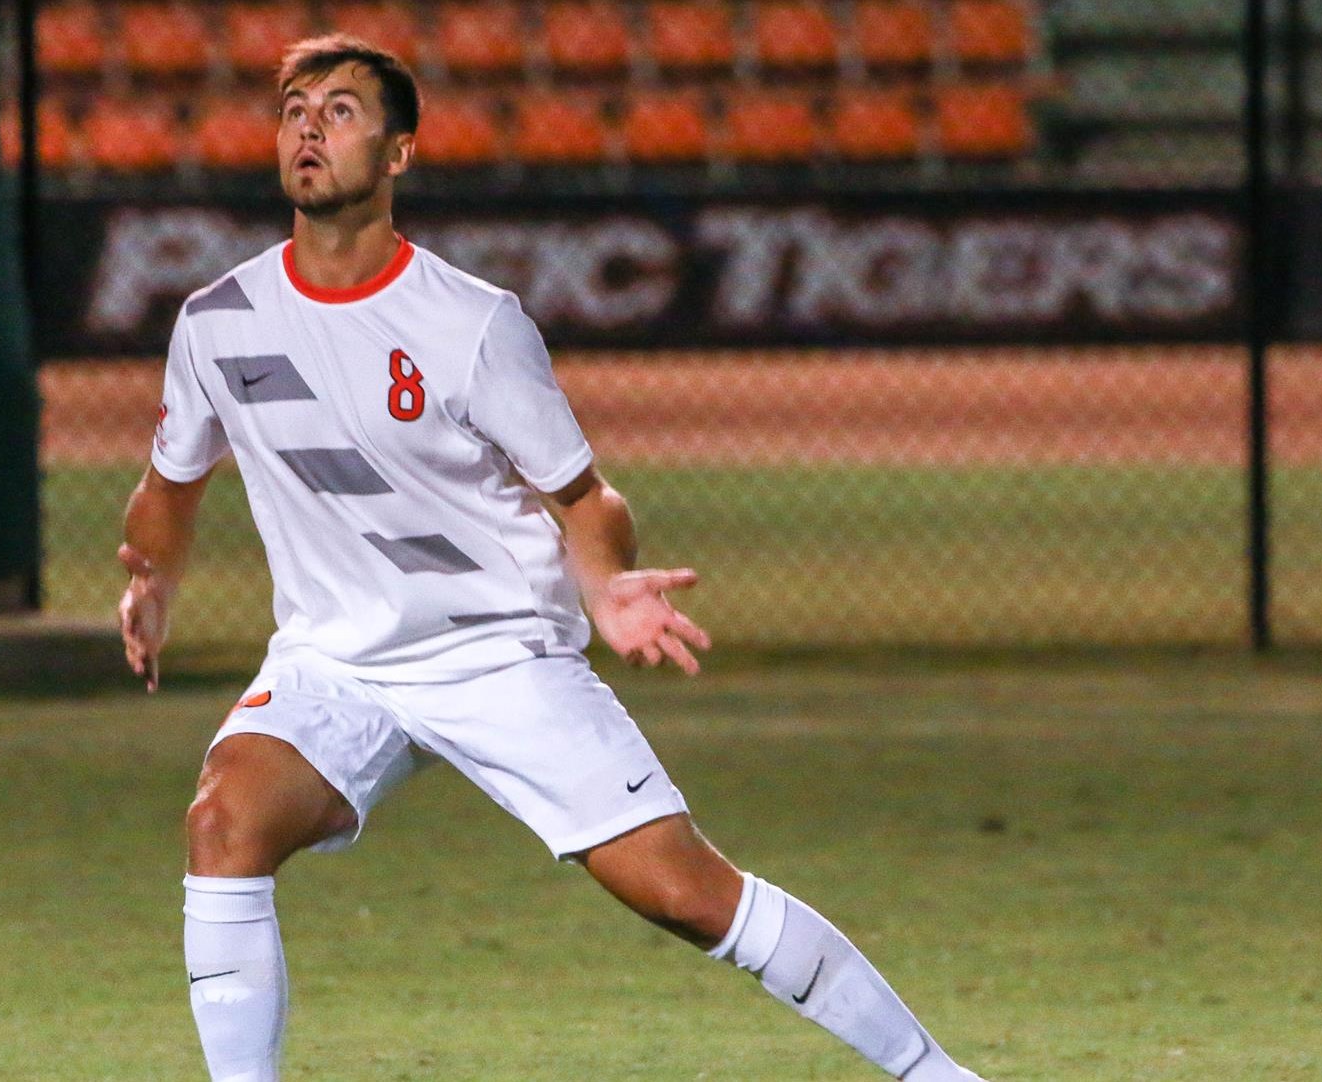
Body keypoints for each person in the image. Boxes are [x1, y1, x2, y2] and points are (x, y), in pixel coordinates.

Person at [117, 34, 989, 1082]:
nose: (308, 126)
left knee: (687, 894)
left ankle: (938, 1073)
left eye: (340, 110)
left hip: (500, 651)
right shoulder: (218, 323)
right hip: (336, 663)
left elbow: (582, 496)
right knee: (223, 820)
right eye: (294, 108)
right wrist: (150, 581)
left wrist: (607, 584)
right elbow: (170, 485)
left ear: (398, 155)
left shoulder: (472, 325)